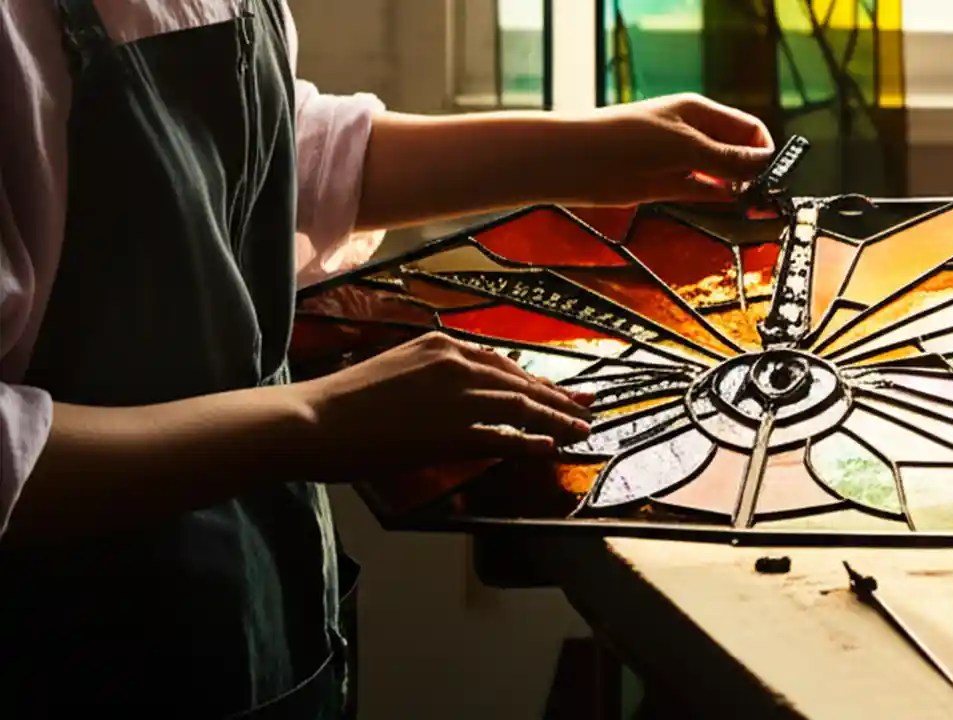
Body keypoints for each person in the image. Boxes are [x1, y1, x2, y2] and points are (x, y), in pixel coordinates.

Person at [0, 0, 774, 716]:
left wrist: (586, 151)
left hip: (263, 610)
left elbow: (268, 152)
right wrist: (313, 421)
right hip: (71, 651)